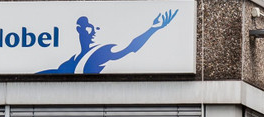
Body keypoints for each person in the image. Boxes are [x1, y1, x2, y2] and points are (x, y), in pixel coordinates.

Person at [38, 10, 177, 75]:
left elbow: (131, 47)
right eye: (83, 28)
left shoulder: (102, 52)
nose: (88, 32)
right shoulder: (73, 60)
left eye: (90, 28)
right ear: (78, 31)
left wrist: (152, 29)